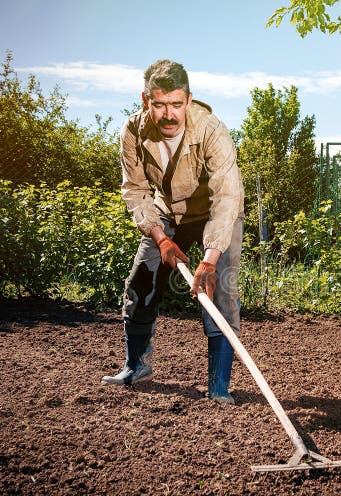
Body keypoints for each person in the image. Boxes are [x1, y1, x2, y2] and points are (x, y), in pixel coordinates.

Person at [101, 59, 244, 405]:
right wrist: (161, 238)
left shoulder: (212, 131)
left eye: (177, 104)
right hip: (166, 215)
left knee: (220, 293)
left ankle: (219, 385)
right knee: (141, 282)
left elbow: (226, 198)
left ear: (189, 100)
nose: (169, 114)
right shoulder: (133, 131)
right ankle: (136, 367)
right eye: (160, 104)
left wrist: (209, 260)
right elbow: (135, 191)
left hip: (215, 215)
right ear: (145, 100)